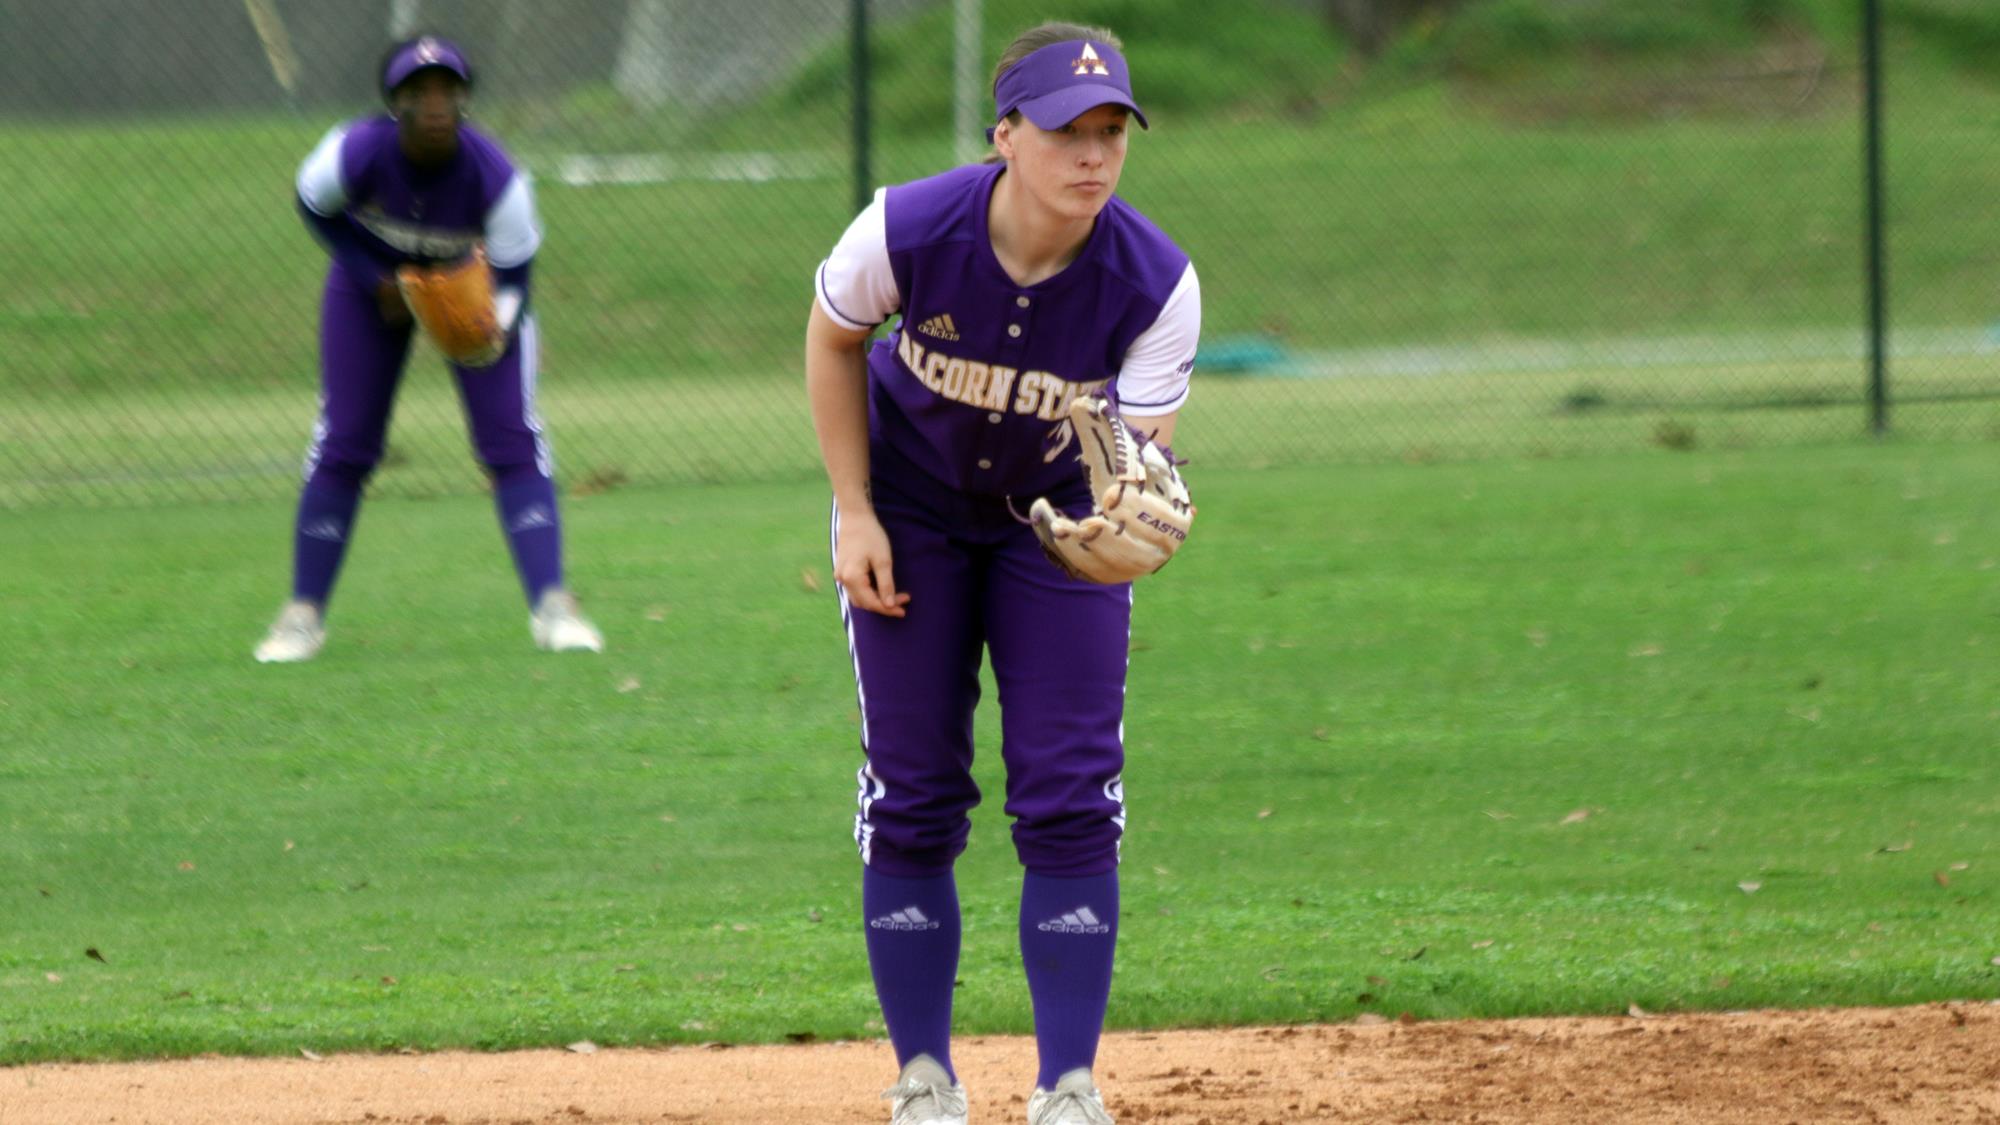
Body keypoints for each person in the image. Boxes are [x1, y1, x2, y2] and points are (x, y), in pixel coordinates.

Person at [804, 21, 1200, 1125]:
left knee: (1071, 793)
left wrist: (1117, 513)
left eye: (1112, 130)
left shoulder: (1156, 283)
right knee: (914, 793)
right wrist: (854, 509)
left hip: (1055, 534)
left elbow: (1130, 456)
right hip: (911, 511)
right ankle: (922, 1076)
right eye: (1068, 129)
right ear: (1004, 136)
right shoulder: (908, 225)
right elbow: (833, 338)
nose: (1093, 153)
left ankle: (1067, 1086)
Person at [254, 35, 601, 663]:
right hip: (372, 294)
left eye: (449, 90)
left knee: (511, 439)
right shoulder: (356, 152)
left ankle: (553, 605)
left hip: (470, 296)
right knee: (345, 442)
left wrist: (493, 327)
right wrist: (375, 279)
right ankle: (301, 614)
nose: (436, 105)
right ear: (396, 103)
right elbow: (314, 203)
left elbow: (518, 276)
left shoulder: (496, 178)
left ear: (465, 101)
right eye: (420, 92)